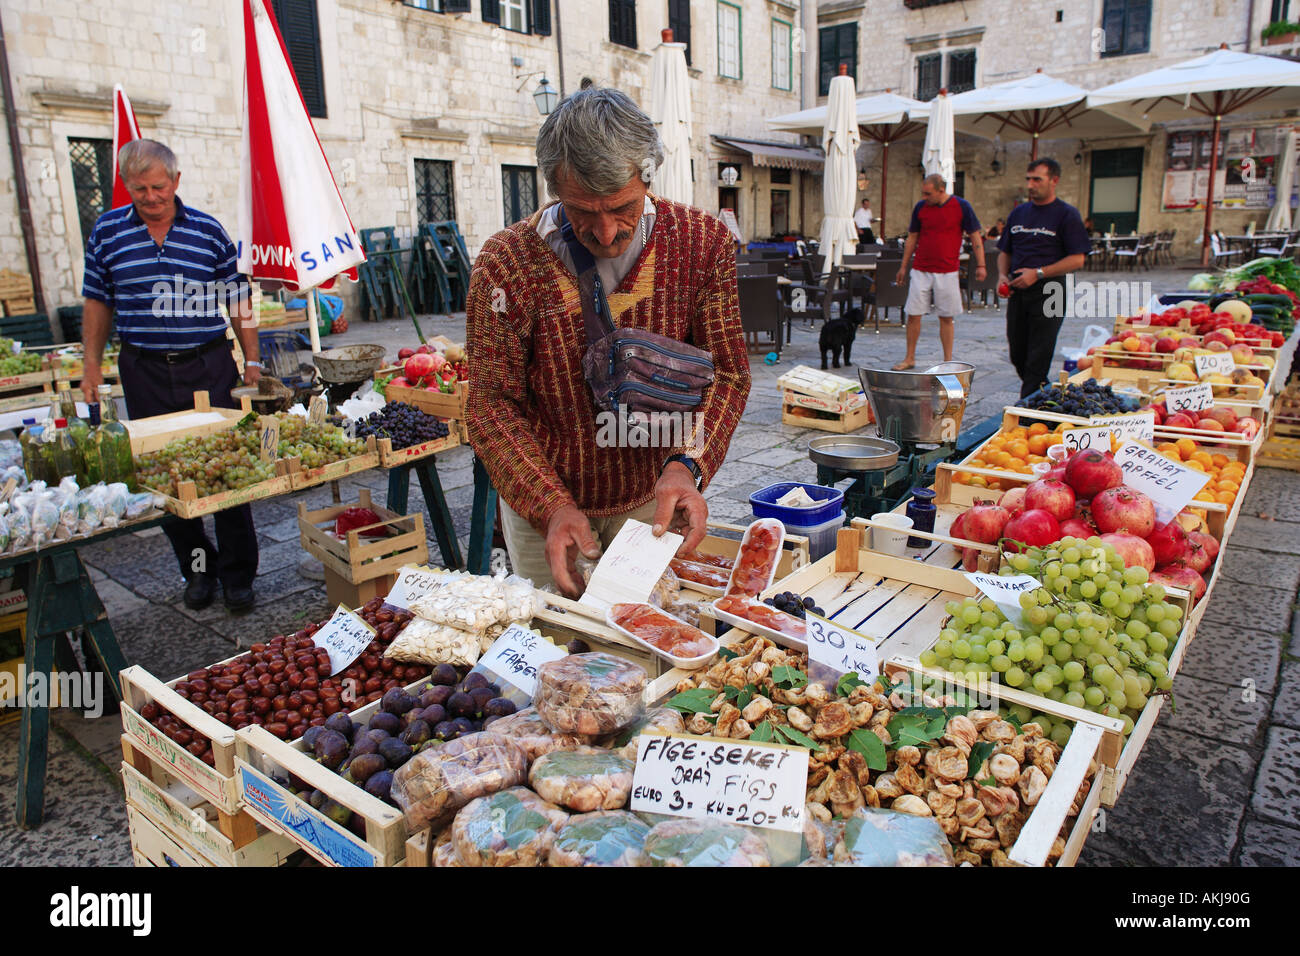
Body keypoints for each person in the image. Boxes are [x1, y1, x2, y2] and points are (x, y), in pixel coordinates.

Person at [465, 88, 751, 598]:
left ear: (647, 177)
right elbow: (491, 403)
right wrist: (549, 504)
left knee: (648, 639)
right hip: (545, 506)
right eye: (581, 211)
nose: (604, 230)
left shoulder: (702, 243)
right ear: (554, 188)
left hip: (655, 496)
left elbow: (727, 372)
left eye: (621, 207)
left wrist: (689, 465)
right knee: (556, 649)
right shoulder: (506, 262)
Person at [81, 139, 262, 613]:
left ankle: (238, 575)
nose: (151, 196)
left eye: (159, 186)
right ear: (126, 186)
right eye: (140, 189)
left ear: (176, 182)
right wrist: (91, 366)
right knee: (165, 477)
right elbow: (97, 301)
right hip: (144, 370)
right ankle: (199, 571)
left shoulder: (207, 231)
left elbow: (238, 300)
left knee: (227, 470)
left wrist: (255, 362)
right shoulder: (106, 233)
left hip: (208, 363)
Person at [997, 157, 1091, 398]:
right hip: (1018, 290)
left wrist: (1038, 273)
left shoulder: (1066, 215)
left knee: (1039, 355)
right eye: (1028, 179)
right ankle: (1041, 392)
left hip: (1051, 290)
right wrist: (1000, 275)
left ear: (1054, 181)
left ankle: (1026, 409)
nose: (1030, 185)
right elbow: (1005, 251)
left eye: (1037, 179)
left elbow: (1078, 259)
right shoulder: (1018, 213)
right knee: (1017, 353)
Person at [892, 173, 985, 370]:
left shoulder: (961, 206)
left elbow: (975, 236)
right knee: (913, 314)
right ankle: (910, 357)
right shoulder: (921, 207)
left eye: (928, 194)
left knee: (946, 317)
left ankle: (947, 360)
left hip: (947, 270)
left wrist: (981, 265)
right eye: (923, 194)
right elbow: (912, 237)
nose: (924, 198)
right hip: (921, 269)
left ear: (941, 190)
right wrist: (903, 265)